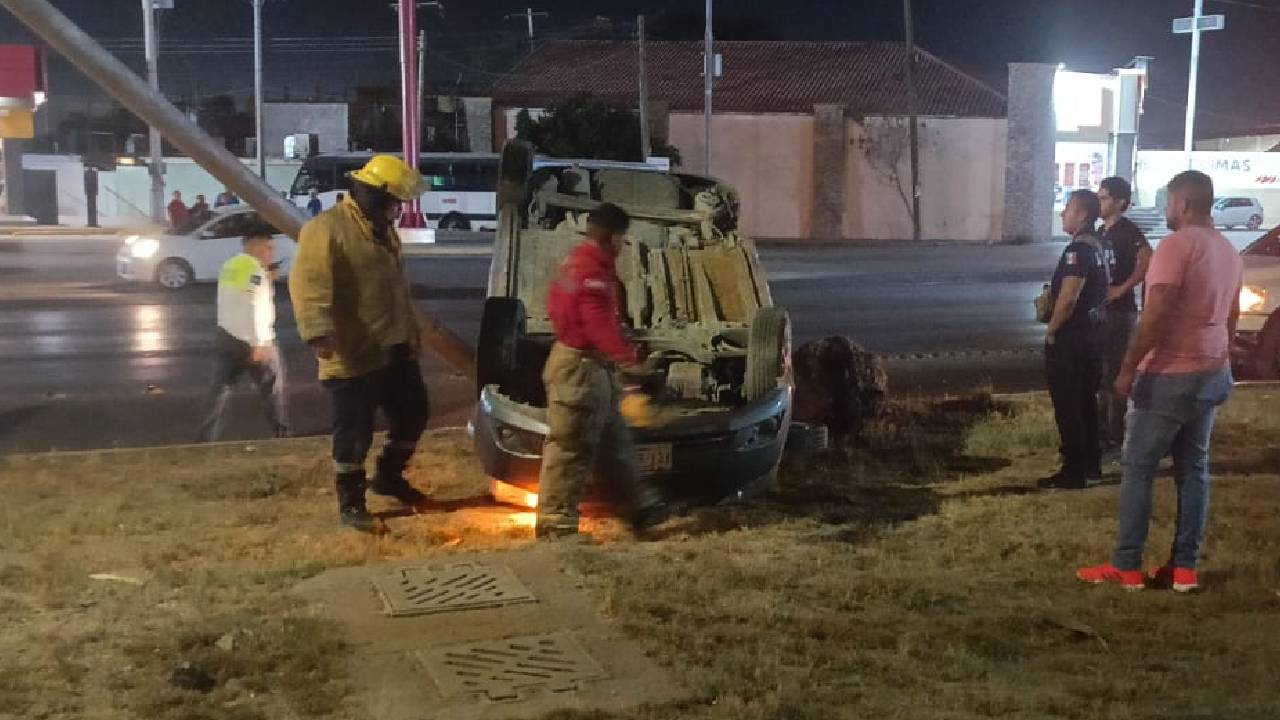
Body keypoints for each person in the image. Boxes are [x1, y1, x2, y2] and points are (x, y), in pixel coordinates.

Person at [1077, 171, 1242, 592]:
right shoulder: (1227, 251)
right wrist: (1222, 357)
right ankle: (1184, 568)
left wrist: (1128, 368)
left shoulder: (1176, 246)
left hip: (1170, 373)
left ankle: (1127, 566)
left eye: (1169, 202)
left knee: (1139, 468)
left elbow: (1155, 314)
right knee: (1194, 469)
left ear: (1183, 204)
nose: (1166, 210)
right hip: (1211, 369)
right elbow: (1231, 317)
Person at [289, 155, 430, 532]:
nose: (398, 209)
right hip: (353, 353)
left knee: (414, 414)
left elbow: (393, 289)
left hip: (393, 346)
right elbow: (309, 283)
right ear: (370, 192)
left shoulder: (380, 227)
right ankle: (351, 503)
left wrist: (410, 335)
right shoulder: (327, 229)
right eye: (394, 201)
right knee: (354, 432)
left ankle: (388, 477)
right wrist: (318, 331)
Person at [536, 202, 668, 540]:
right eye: (623, 237)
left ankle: (637, 509)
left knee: (614, 442)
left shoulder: (576, 261)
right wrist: (629, 360)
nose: (624, 244)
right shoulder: (593, 271)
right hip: (580, 370)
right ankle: (555, 524)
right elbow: (597, 324)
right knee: (570, 446)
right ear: (612, 236)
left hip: (586, 366)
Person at [1039, 190, 1110, 490]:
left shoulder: (1077, 251)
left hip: (1073, 340)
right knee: (1086, 403)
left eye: (1067, 209)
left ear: (1081, 215)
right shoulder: (1100, 245)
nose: (1062, 215)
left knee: (1069, 406)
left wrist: (1052, 330)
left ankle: (1073, 471)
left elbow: (1068, 299)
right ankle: (1092, 464)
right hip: (1093, 336)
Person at [197, 228, 289, 442]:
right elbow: (253, 304)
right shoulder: (254, 271)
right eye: (268, 248)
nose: (271, 253)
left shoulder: (231, 265)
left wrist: (266, 278)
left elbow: (236, 297)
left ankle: (204, 440)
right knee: (273, 388)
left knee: (219, 390)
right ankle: (282, 434)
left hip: (226, 335)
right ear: (255, 246)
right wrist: (258, 343)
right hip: (254, 340)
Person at [1097, 177, 1152, 455]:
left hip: (1120, 313)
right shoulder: (1101, 231)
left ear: (1119, 201)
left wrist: (1123, 288)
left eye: (1104, 197)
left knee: (1115, 373)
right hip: (1101, 312)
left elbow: (1147, 258)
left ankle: (1115, 436)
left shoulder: (1128, 231)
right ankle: (1102, 431)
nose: (1100, 202)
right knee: (1101, 373)